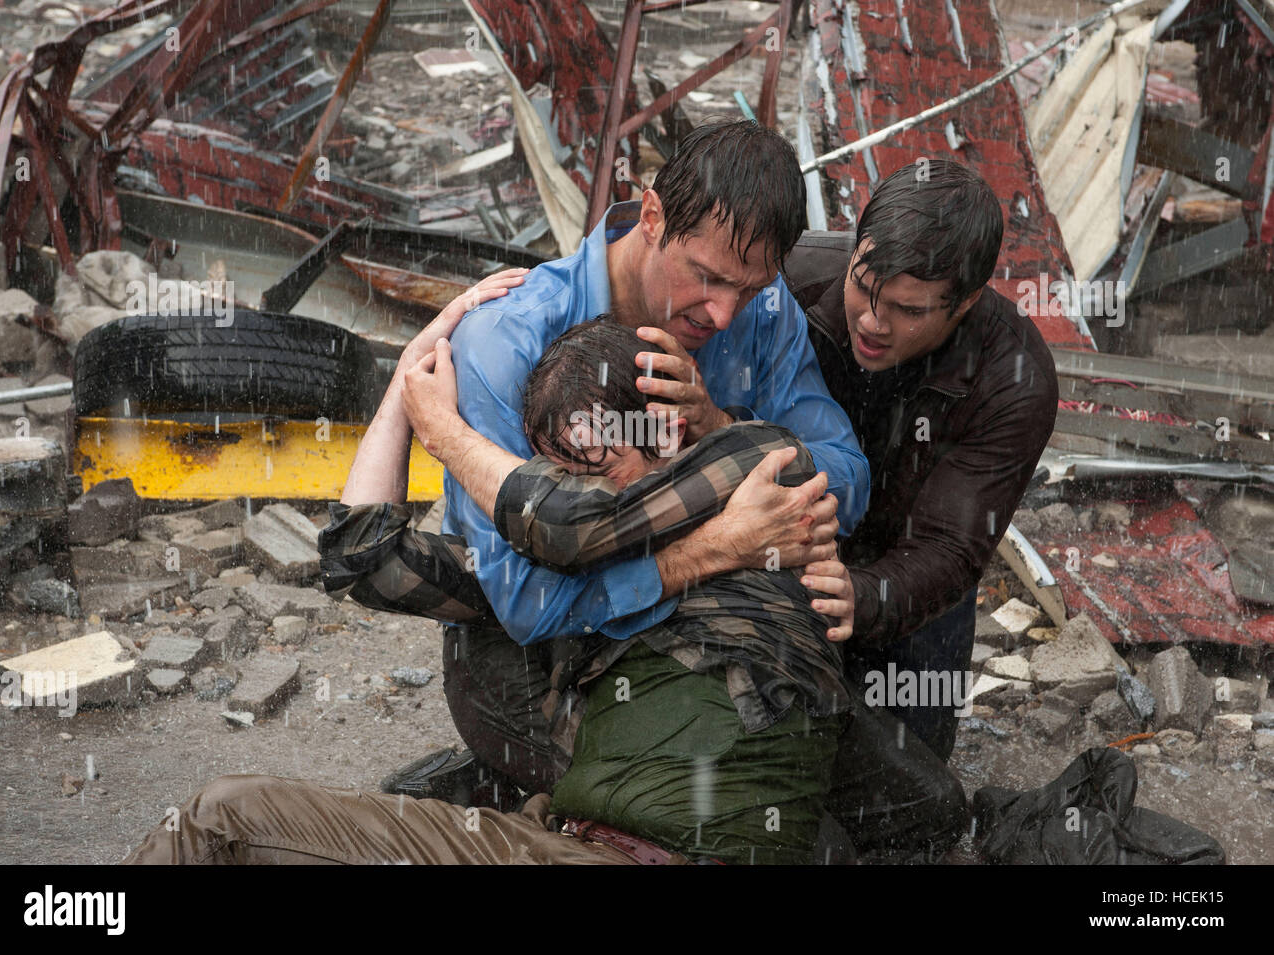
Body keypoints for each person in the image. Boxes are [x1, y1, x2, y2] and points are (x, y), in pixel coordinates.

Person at [125, 320, 964, 865]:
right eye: (558, 466)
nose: (577, 488)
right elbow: (362, 558)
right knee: (222, 823)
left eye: (592, 463)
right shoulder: (569, 582)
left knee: (218, 824)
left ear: (664, 429)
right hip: (557, 843)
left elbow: (566, 520)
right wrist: (402, 390)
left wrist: (446, 428)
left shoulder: (764, 468)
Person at [333, 119, 870, 798]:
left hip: (714, 632)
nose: (724, 314)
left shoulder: (764, 313)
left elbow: (847, 478)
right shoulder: (507, 340)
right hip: (534, 658)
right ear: (652, 215)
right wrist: (722, 542)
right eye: (705, 277)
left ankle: (536, 790)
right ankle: (527, 787)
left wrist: (716, 425)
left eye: (748, 286)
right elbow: (526, 600)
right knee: (716, 804)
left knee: (889, 800)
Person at [779, 158, 1059, 760]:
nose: (871, 323)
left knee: (914, 800)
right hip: (780, 541)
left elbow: (951, 548)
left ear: (965, 302)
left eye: (908, 310)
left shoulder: (1013, 380)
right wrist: (533, 287)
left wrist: (866, 596)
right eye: (862, 286)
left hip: (911, 584)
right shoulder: (788, 275)